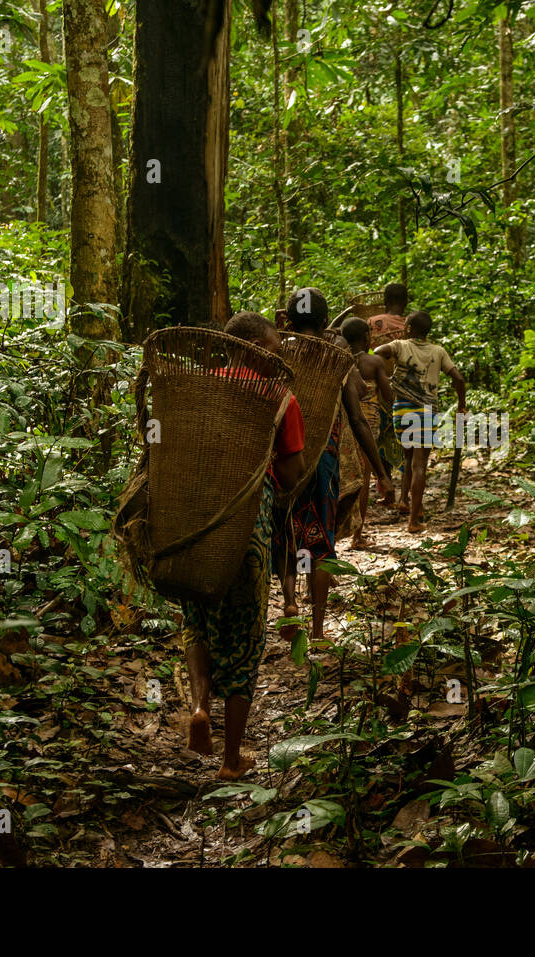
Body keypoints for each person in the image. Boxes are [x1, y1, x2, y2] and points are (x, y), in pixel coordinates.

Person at [181, 310, 305, 779]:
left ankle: (198, 708)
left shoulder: (197, 389)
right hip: (249, 525)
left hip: (198, 521)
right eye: (273, 350)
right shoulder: (279, 396)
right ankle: (231, 760)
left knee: (198, 618)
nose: (278, 359)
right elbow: (291, 474)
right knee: (245, 638)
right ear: (254, 349)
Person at [276, 287, 393, 647]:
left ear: (288, 319)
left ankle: (291, 603)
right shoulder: (336, 358)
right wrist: (383, 474)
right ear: (327, 322)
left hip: (282, 457)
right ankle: (317, 630)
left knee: (287, 532)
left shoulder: (277, 352)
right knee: (320, 541)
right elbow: (357, 417)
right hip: (323, 460)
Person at [374, 310, 466, 534]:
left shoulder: (400, 345)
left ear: (408, 328)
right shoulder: (438, 351)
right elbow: (459, 378)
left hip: (402, 411)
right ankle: (414, 521)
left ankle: (405, 501)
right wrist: (461, 405)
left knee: (408, 458)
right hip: (425, 412)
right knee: (419, 465)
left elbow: (377, 352)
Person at [340, 317, 394, 549]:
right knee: (362, 479)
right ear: (366, 337)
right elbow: (388, 395)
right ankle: (357, 535)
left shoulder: (339, 361)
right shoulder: (374, 362)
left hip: (343, 424)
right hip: (367, 425)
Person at [366, 283, 409, 504]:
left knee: (380, 437)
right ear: (406, 301)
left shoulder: (373, 323)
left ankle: (386, 486)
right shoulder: (410, 325)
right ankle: (406, 493)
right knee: (406, 439)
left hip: (378, 391)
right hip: (405, 390)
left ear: (385, 301)